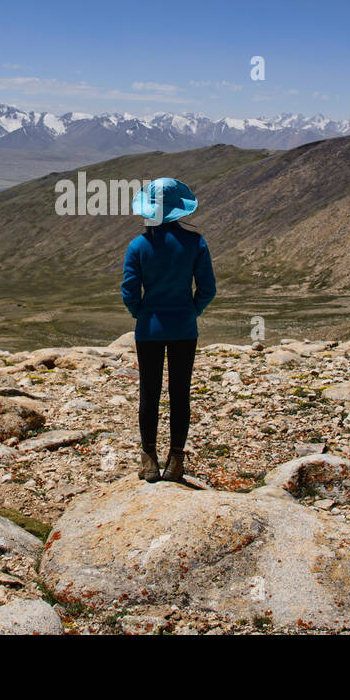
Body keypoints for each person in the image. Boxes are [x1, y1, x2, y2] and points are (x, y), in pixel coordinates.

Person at [120, 177, 216, 483]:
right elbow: (207, 289)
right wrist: (192, 310)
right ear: (179, 210)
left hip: (149, 329)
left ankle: (149, 460)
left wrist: (142, 314)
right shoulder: (196, 243)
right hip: (185, 329)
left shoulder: (138, 246)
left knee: (149, 392)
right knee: (180, 394)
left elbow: (129, 292)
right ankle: (176, 461)